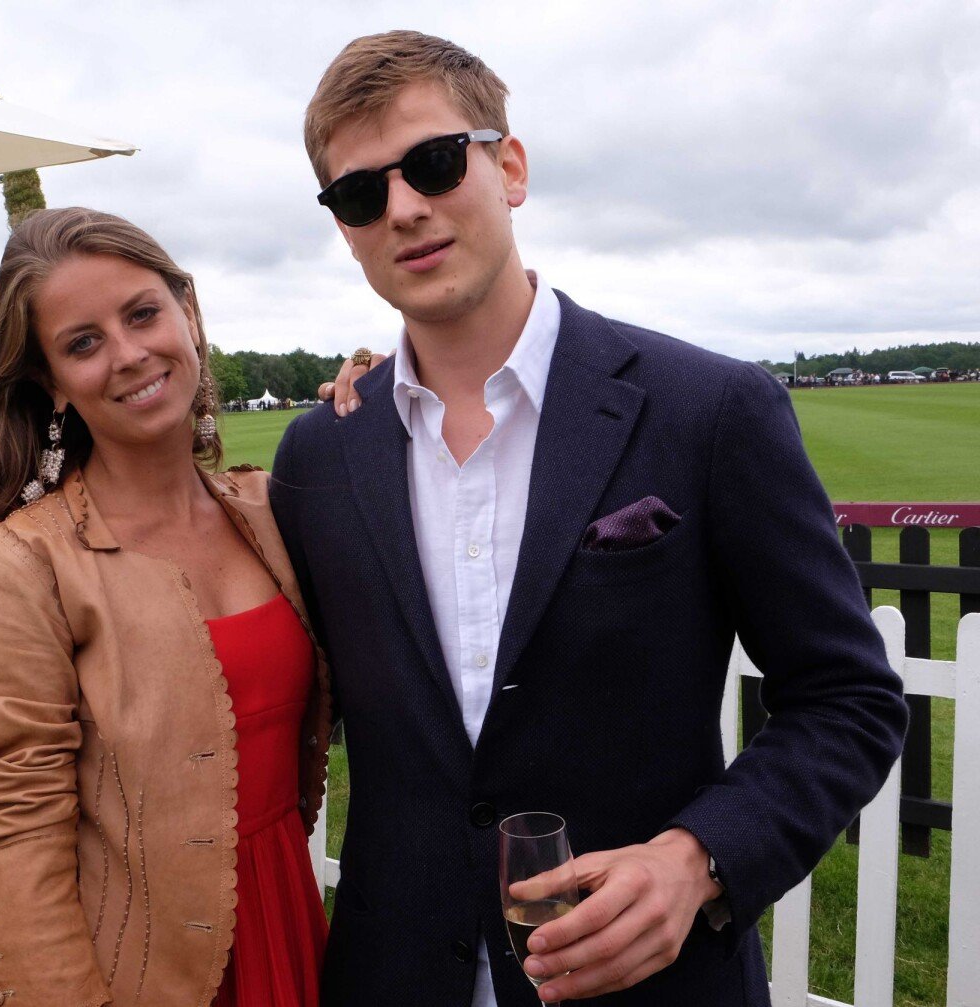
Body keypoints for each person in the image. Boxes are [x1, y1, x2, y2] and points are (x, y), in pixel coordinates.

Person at [271, 30, 908, 1007]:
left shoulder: (709, 410)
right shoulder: (318, 457)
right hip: (393, 973)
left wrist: (697, 859)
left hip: (653, 984)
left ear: (509, 166)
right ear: (345, 227)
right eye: (360, 193)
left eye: (435, 163)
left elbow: (849, 697)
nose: (403, 207)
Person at [0, 208, 333, 1007]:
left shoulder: (273, 513)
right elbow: (15, 830)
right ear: (52, 383)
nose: (129, 353)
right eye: (83, 342)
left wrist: (380, 398)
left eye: (142, 313)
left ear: (187, 311)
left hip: (281, 922)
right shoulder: (23, 563)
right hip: (116, 965)